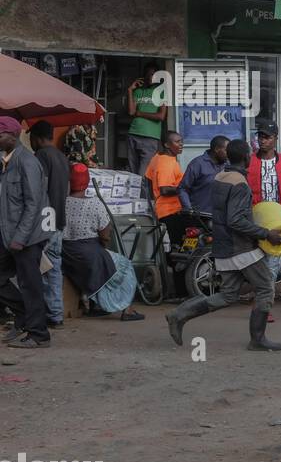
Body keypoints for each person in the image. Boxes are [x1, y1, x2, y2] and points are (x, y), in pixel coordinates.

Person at [165, 140, 281, 351]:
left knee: (228, 295)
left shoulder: (221, 176)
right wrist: (266, 234)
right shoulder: (239, 183)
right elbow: (236, 220)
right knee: (266, 287)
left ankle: (179, 314)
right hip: (241, 248)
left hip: (223, 244)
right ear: (247, 158)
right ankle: (257, 339)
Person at [61, 163, 143, 322]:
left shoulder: (61, 202)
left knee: (103, 264)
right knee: (124, 265)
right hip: (90, 252)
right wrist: (103, 246)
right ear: (87, 182)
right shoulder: (94, 204)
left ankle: (95, 306)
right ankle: (127, 309)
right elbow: (105, 235)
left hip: (67, 253)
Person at [0, 117, 54, 348]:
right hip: (7, 234)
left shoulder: (27, 162)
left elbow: (34, 204)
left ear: (12, 136)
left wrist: (20, 238)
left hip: (27, 237)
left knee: (30, 285)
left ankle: (39, 335)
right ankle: (24, 316)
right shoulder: (5, 161)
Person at [30, 121, 70, 327]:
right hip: (59, 218)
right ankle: (55, 313)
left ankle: (46, 313)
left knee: (40, 268)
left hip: (45, 220)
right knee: (53, 267)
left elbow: (38, 190)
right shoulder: (61, 157)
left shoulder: (41, 156)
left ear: (36, 137)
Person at [144, 130, 188, 295]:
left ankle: (179, 288)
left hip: (163, 210)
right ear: (166, 144)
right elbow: (164, 189)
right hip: (172, 210)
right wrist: (185, 188)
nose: (181, 144)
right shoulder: (167, 162)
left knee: (177, 249)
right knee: (181, 251)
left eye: (181, 141)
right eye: (177, 142)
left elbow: (148, 179)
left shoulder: (157, 158)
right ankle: (181, 290)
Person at [247, 123, 281, 221]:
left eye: (268, 137)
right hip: (257, 218)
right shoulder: (250, 161)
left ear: (276, 138)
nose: (263, 141)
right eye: (260, 137)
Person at [126, 64, 169, 175]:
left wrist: (140, 113)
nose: (150, 77)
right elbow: (131, 112)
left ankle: (144, 193)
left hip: (150, 137)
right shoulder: (138, 91)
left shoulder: (162, 92)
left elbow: (161, 116)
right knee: (132, 173)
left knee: (143, 174)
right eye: (148, 74)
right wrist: (130, 90)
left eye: (153, 74)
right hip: (133, 134)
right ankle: (135, 193)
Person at [178, 136, 229, 215]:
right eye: (226, 150)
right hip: (201, 217)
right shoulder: (198, 164)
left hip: (222, 218)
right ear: (216, 149)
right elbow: (183, 189)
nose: (229, 153)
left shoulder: (228, 165)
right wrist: (189, 209)